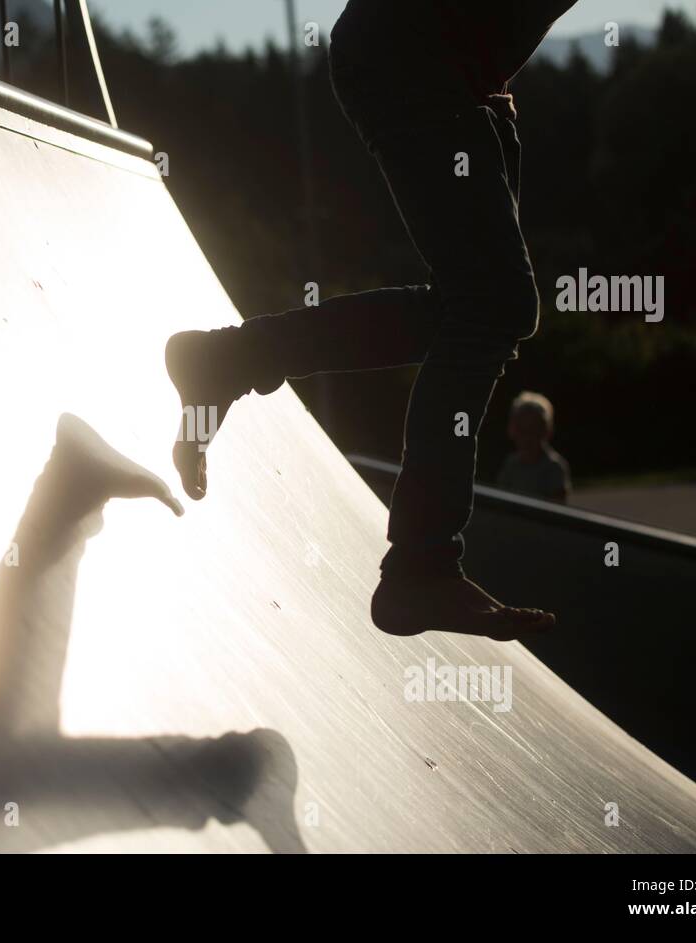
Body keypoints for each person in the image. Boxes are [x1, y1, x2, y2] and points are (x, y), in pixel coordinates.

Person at [166, 0, 576, 641]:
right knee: (491, 305)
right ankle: (421, 566)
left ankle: (228, 361)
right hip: (413, 59)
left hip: (444, 72)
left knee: (469, 308)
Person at [497, 391, 572, 502]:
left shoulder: (554, 467)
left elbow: (558, 509)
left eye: (533, 429)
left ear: (545, 430)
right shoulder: (511, 465)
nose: (527, 437)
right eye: (521, 429)